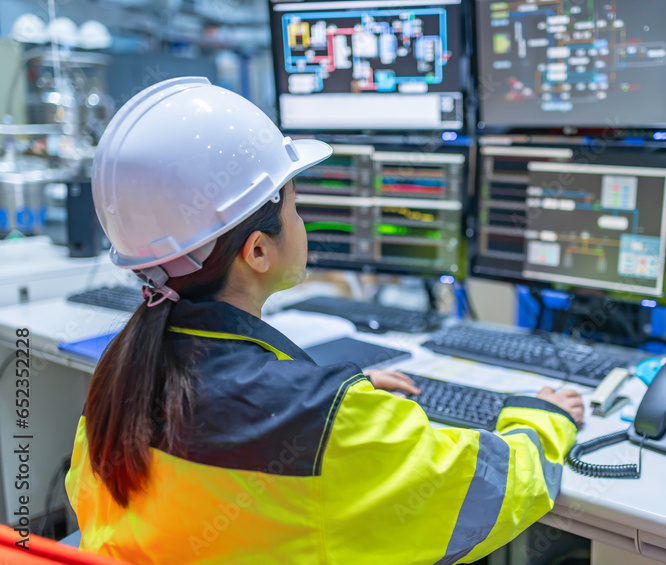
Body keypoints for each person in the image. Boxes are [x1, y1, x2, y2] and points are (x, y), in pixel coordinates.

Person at [64, 77, 584, 564]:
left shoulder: (120, 374)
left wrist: (338, 396)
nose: (302, 221)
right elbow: (484, 495)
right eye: (294, 205)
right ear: (259, 250)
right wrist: (544, 419)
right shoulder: (321, 423)